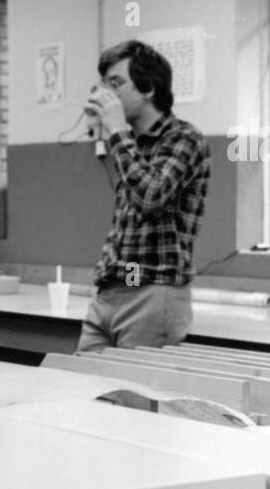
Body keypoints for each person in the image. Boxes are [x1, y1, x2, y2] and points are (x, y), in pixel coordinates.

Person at [77, 39, 210, 353]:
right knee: (79, 390)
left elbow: (151, 196)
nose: (106, 94)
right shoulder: (132, 145)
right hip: (111, 291)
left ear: (148, 87)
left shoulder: (184, 138)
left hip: (153, 292)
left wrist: (116, 132)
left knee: (131, 397)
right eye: (103, 84)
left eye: (116, 83)